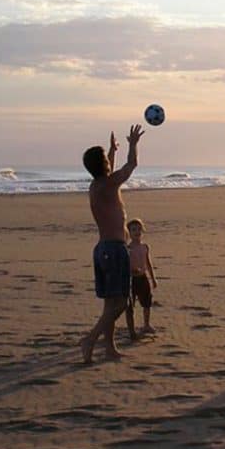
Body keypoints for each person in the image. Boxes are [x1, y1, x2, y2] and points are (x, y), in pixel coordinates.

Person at [81, 125, 145, 364]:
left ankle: (109, 347)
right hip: (115, 250)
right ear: (104, 166)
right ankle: (91, 339)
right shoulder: (109, 184)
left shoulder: (96, 185)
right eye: (107, 160)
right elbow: (131, 165)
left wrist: (111, 151)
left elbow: (106, 168)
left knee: (110, 304)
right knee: (120, 304)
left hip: (102, 250)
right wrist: (133, 144)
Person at [124, 218, 158, 339]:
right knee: (130, 305)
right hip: (131, 280)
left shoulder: (145, 246)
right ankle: (131, 329)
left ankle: (146, 324)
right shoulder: (128, 248)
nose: (137, 232)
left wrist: (153, 278)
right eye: (134, 230)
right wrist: (133, 270)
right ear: (128, 232)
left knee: (147, 302)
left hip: (143, 278)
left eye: (139, 229)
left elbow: (148, 263)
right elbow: (125, 266)